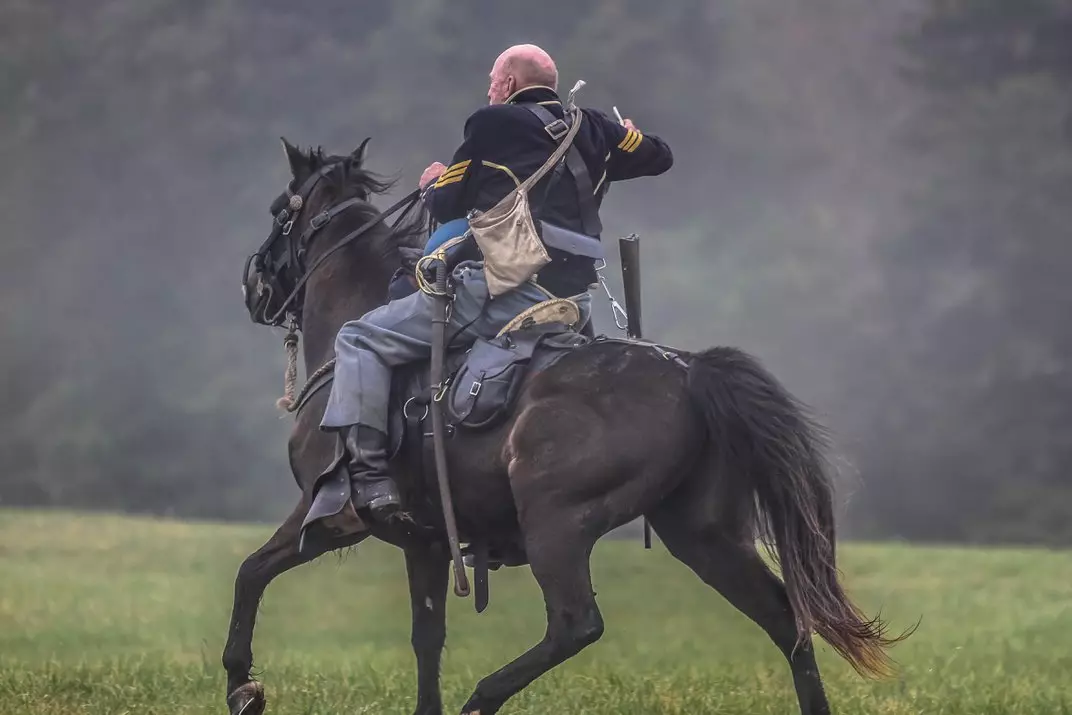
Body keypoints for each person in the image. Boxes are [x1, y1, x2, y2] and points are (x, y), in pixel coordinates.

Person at [303, 44, 673, 534]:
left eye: (493, 81)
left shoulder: (490, 124)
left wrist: (435, 179)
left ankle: (369, 477)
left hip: (506, 292)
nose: (489, 90)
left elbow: (446, 202)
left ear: (510, 85)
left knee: (358, 336)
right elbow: (658, 156)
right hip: (573, 302)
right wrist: (629, 135)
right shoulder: (596, 127)